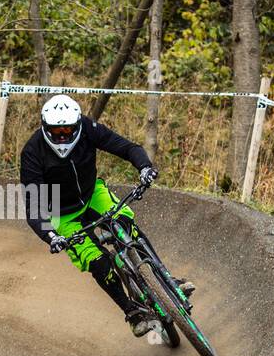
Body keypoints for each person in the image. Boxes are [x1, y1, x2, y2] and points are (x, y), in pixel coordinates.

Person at [19, 94, 192, 336]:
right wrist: (50, 236)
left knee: (126, 223)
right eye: (56, 131)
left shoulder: (89, 128)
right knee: (98, 263)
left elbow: (127, 147)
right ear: (45, 127)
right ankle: (132, 312)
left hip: (93, 194)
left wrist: (144, 167)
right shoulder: (32, 152)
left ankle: (166, 280)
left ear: (77, 124)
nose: (62, 136)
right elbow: (33, 205)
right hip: (61, 215)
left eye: (67, 130)